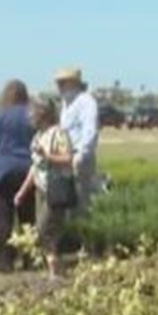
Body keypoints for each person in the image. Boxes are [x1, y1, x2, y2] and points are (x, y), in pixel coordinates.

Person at [0, 79, 36, 273]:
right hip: (28, 170)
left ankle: (5, 261)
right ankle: (30, 257)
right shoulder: (31, 114)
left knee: (2, 219)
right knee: (28, 218)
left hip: (2, 171)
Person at [14, 99, 75, 279]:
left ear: (43, 114)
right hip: (41, 189)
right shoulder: (38, 136)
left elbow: (68, 158)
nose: (30, 117)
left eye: (33, 113)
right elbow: (35, 167)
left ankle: (56, 266)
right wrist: (22, 192)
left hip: (55, 189)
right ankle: (55, 271)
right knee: (50, 232)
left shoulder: (59, 133)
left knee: (43, 229)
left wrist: (48, 156)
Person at [55, 68, 100, 214]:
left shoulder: (86, 102)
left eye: (62, 82)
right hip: (64, 158)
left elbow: (90, 131)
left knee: (80, 202)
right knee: (66, 203)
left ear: (73, 83)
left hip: (79, 158)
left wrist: (81, 155)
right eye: (58, 82)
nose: (59, 86)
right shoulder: (65, 104)